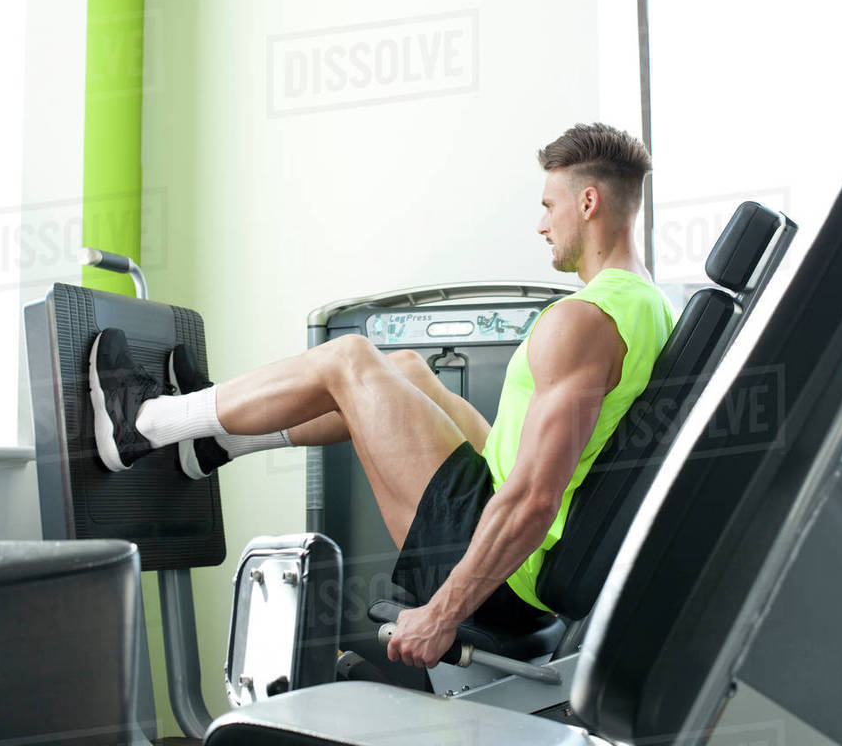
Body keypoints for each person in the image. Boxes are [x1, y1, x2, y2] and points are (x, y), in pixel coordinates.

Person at [88, 122, 675, 670]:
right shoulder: (652, 307)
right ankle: (216, 442)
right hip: (518, 546)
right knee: (407, 371)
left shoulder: (585, 320)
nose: (541, 225)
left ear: (589, 203)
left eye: (549, 207)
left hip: (496, 571)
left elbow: (532, 500)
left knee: (350, 360)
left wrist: (441, 614)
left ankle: (143, 425)